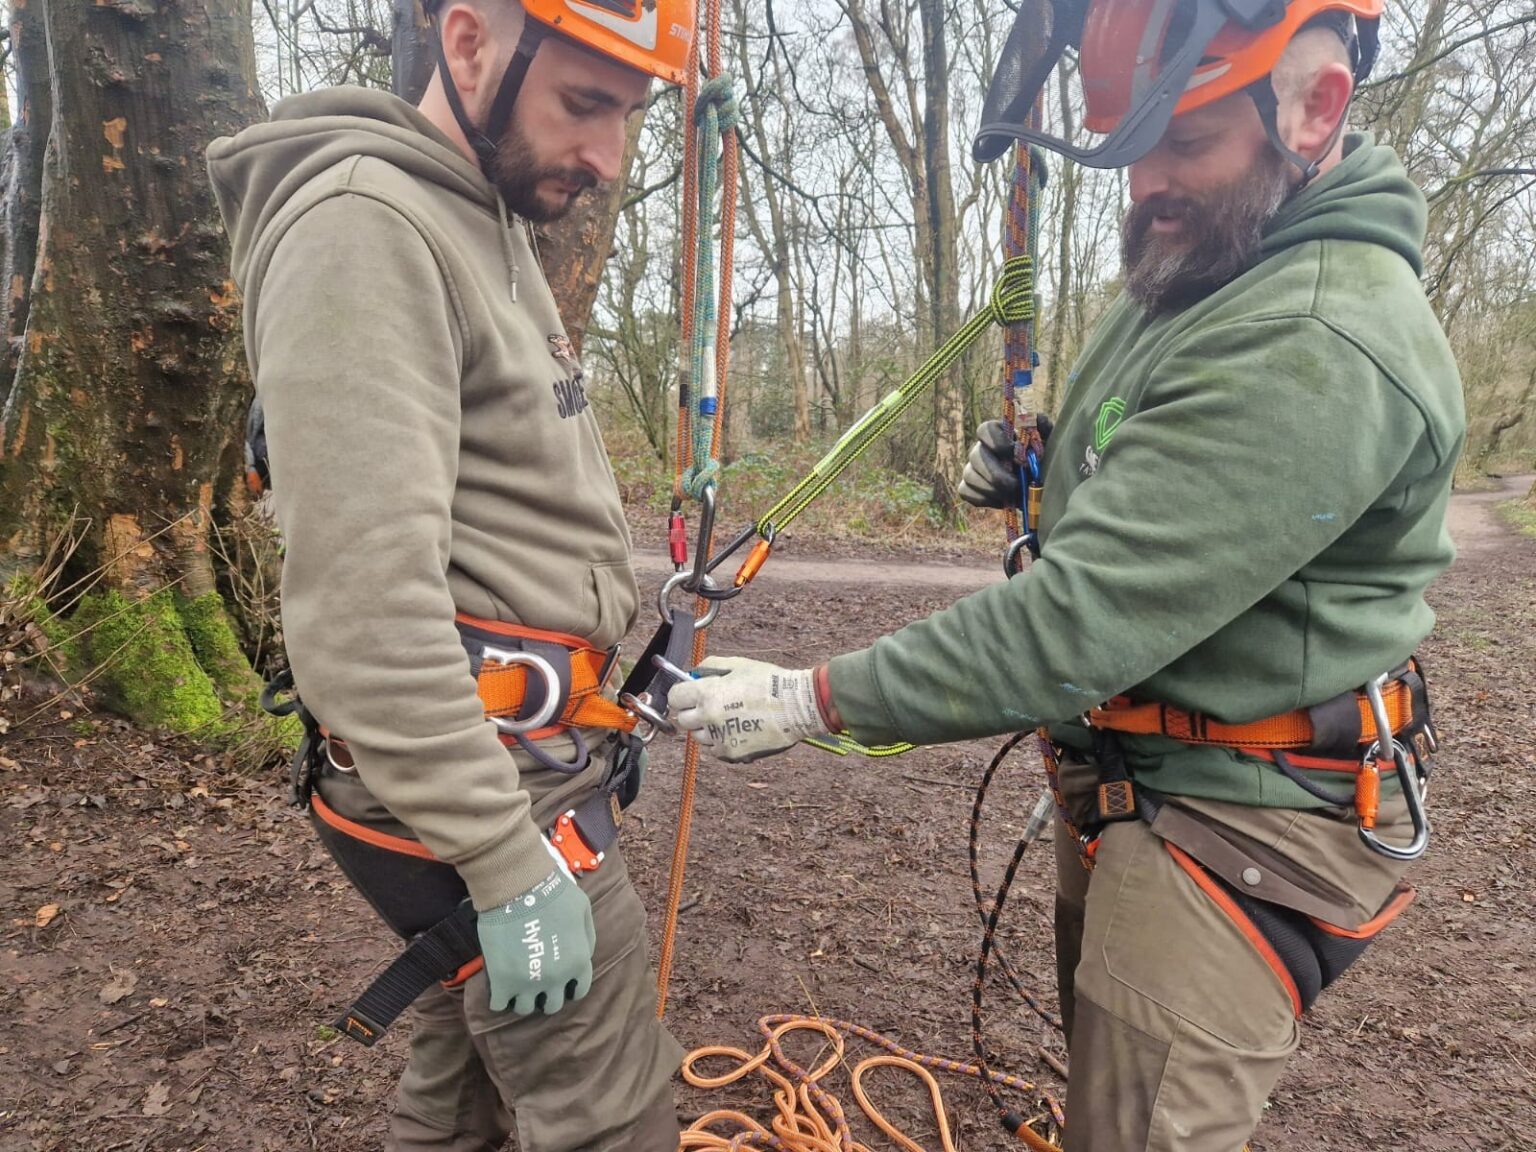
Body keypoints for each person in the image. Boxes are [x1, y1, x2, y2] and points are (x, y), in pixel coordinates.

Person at [670, 2, 1465, 1149]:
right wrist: (1048, 469)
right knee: (1102, 1095)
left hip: (1240, 821)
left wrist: (812, 700)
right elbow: (1154, 462)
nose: (1148, 184)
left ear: (1316, 108)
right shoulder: (1215, 267)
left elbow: (1075, 624)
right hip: (1144, 782)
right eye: (1134, 150)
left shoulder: (1318, 333)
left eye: (1183, 143)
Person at [207, 0, 691, 1147]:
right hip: (486, 780)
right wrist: (506, 863)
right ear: (469, 43)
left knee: (462, 1077)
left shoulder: (483, 215)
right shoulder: (366, 229)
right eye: (583, 105)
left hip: (517, 755)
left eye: (626, 117)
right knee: (610, 1110)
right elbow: (363, 609)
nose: (607, 158)